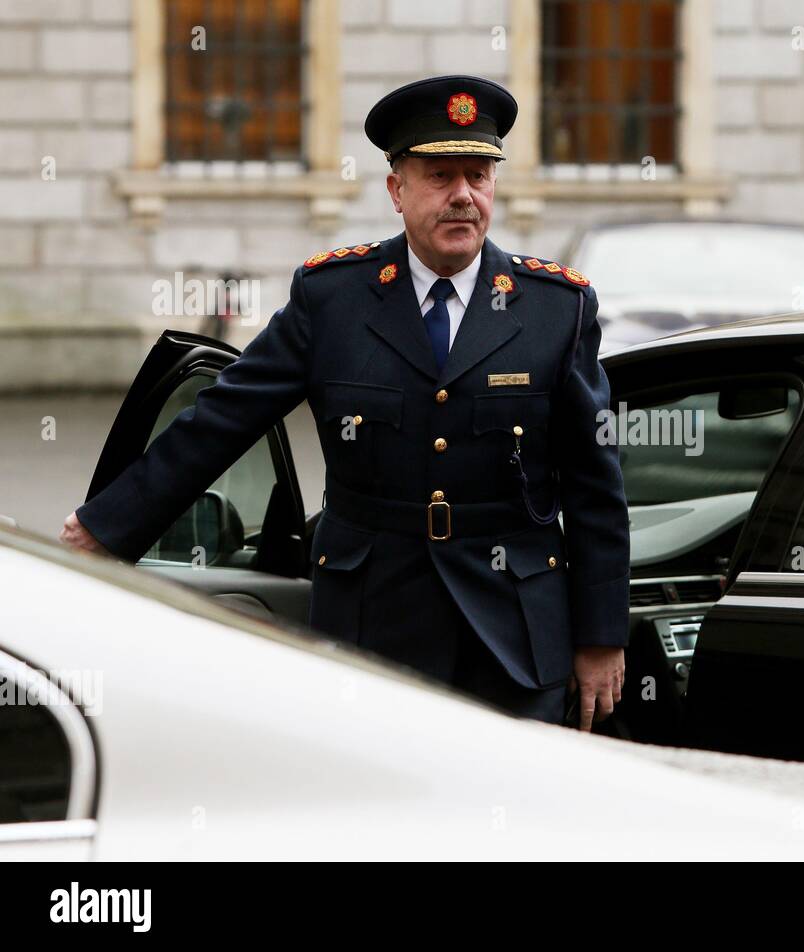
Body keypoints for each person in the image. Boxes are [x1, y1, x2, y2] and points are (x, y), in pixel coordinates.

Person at [61, 75, 631, 729]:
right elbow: (223, 420)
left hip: (517, 637)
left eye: (478, 175)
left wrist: (601, 635)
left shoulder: (556, 309)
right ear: (397, 190)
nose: (463, 197)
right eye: (441, 176)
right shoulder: (333, 299)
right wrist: (104, 529)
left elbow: (596, 485)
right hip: (371, 628)